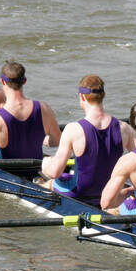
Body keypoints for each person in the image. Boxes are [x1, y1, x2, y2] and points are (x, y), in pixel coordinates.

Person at [41, 74, 128, 205]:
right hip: (109, 195)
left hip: (79, 194)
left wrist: (45, 166)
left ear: (82, 96)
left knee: (51, 181)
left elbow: (55, 172)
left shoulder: (72, 129)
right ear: (103, 96)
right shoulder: (125, 129)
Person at [0, 61, 61, 176]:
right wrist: (43, 139)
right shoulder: (44, 109)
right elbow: (57, 141)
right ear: (24, 81)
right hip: (36, 173)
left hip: (8, 176)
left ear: (2, 81)